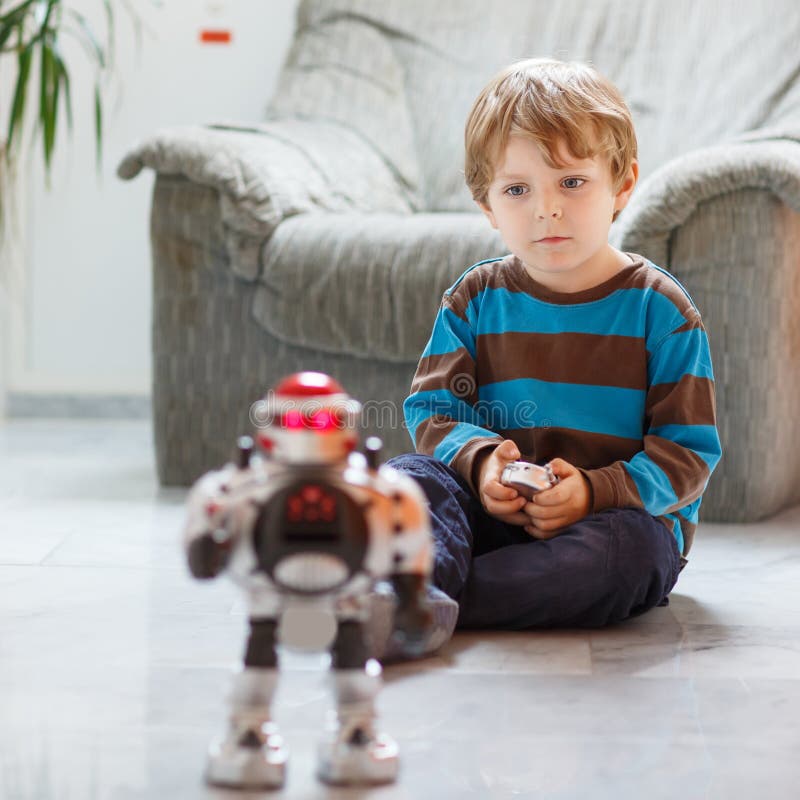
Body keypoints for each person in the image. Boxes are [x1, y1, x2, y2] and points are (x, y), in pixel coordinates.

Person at [388, 58, 722, 629]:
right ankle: (423, 588)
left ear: (622, 185)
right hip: (494, 515)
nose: (547, 209)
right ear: (487, 206)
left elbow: (687, 456)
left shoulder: (660, 311)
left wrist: (594, 493)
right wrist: (485, 463)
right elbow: (432, 410)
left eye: (572, 181)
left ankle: (426, 599)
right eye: (517, 189)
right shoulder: (474, 299)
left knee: (628, 556)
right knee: (407, 478)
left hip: (612, 523)